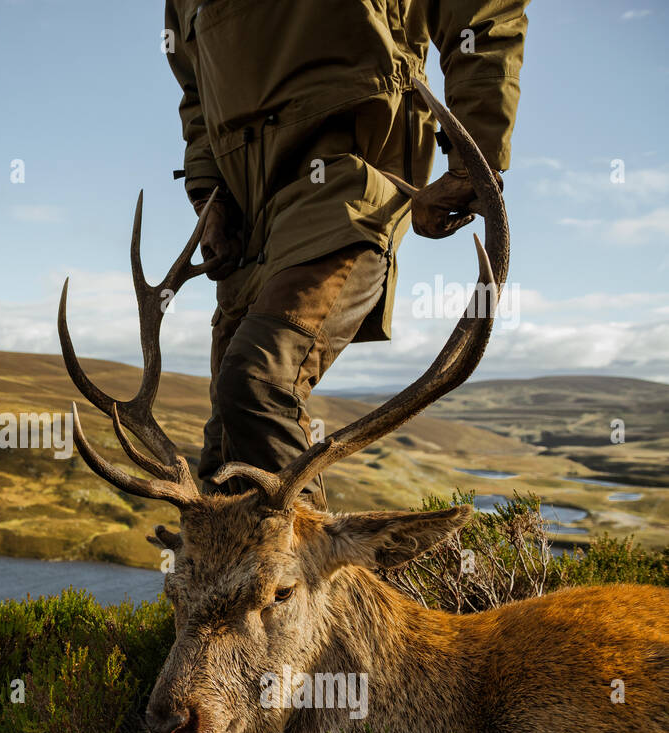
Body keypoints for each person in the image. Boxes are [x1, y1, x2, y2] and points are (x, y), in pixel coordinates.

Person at [163, 0, 527, 506]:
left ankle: (310, 576)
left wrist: (475, 157)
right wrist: (209, 197)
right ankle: (243, 584)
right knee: (226, 448)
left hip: (351, 175)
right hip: (245, 206)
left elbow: (483, 15)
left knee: (258, 383)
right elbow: (196, 95)